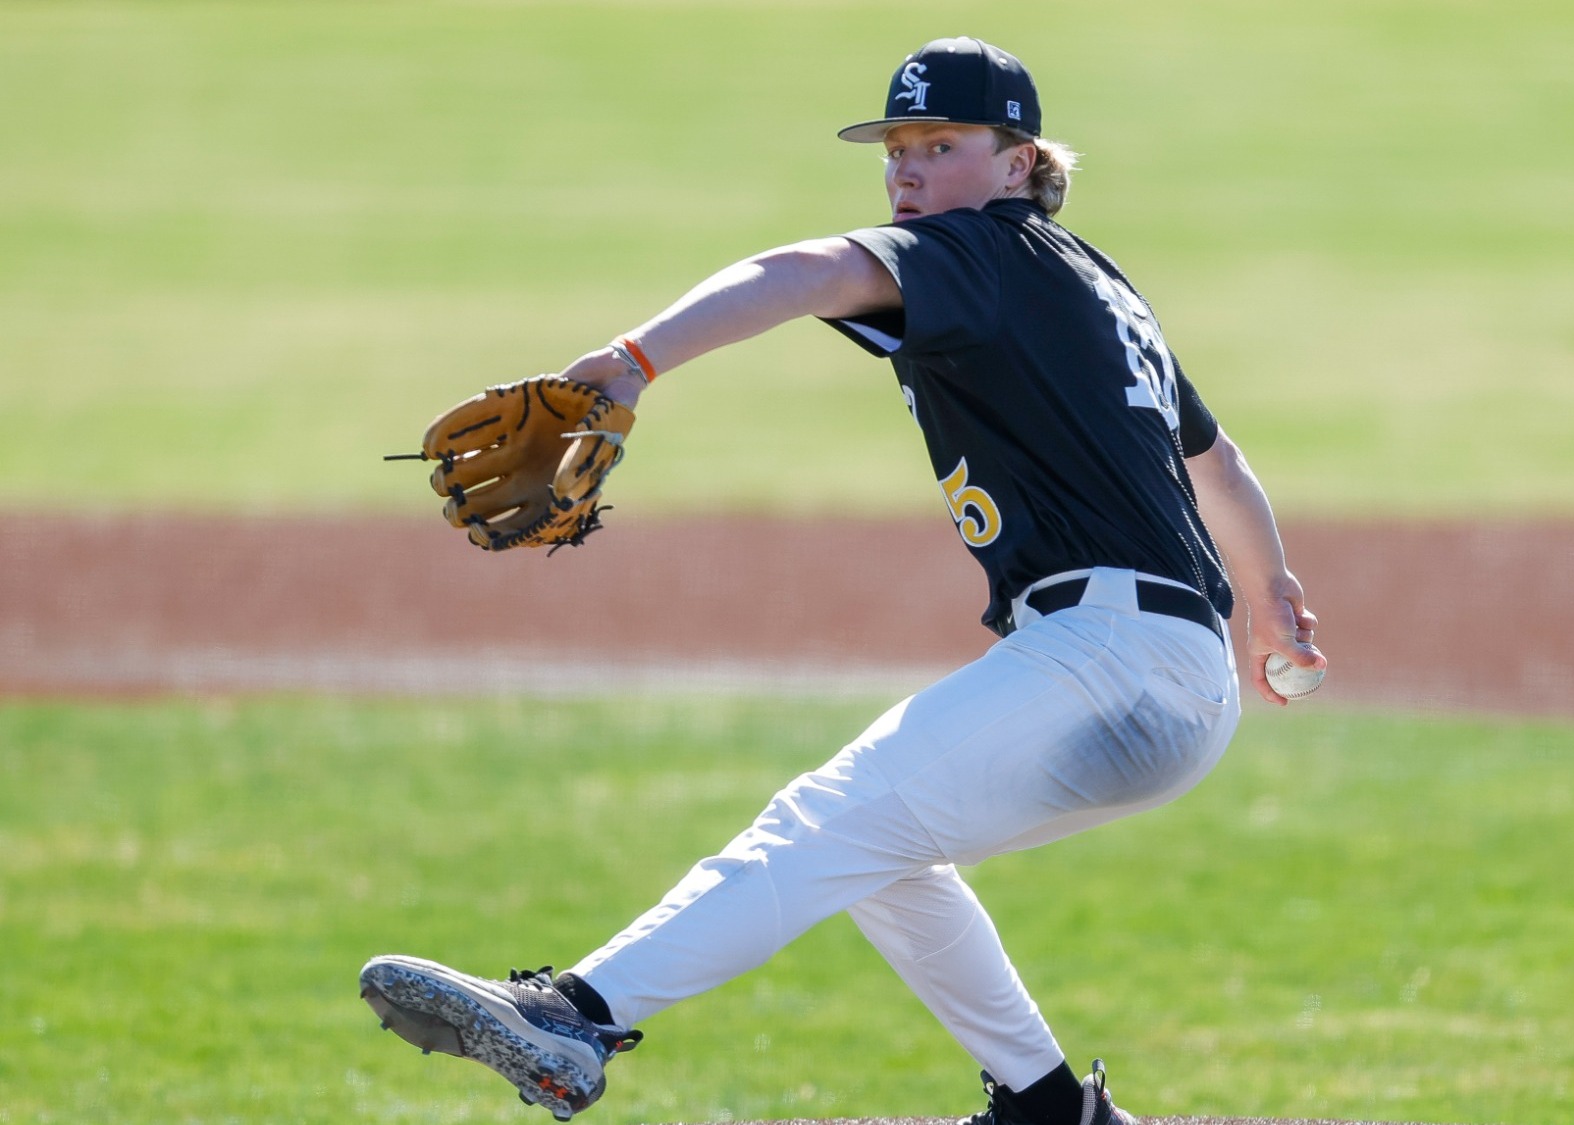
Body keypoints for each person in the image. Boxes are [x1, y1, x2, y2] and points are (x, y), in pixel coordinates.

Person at [360, 36, 1325, 1125]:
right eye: (895, 149)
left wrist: (629, 362)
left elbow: (803, 274)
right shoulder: (1091, 282)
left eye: (940, 144)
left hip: (1106, 662)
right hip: (1164, 676)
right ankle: (1050, 1109)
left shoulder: (981, 252)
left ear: (1018, 165)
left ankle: (576, 1015)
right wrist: (1271, 596)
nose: (908, 170)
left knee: (825, 817)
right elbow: (1217, 462)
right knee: (878, 847)